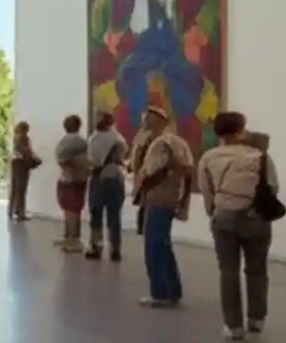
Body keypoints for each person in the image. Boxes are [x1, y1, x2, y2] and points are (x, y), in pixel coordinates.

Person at [197, 112, 278, 339]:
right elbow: (272, 187)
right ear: (241, 130)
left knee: (228, 271)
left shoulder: (209, 157)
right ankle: (256, 319)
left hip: (223, 217)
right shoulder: (260, 157)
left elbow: (206, 191)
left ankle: (233, 326)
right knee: (257, 269)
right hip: (255, 218)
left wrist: (214, 212)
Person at [135, 105, 194, 308]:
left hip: (158, 197)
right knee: (164, 245)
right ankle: (172, 290)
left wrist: (141, 180)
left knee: (154, 247)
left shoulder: (161, 143)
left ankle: (160, 293)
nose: (144, 120)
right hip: (171, 197)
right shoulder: (178, 142)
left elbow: (151, 171)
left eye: (148, 117)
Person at [85, 112, 127, 261]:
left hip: (99, 176)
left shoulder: (93, 139)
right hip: (114, 177)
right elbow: (122, 158)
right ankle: (114, 248)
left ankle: (97, 245)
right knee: (113, 215)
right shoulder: (118, 139)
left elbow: (90, 160)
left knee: (96, 212)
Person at [54, 115, 91, 252]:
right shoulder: (80, 142)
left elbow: (63, 160)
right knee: (74, 209)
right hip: (76, 179)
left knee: (68, 209)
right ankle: (73, 238)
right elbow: (82, 161)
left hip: (66, 178)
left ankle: (70, 237)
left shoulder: (63, 141)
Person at [10, 121, 38, 221]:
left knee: (15, 187)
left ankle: (12, 209)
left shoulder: (15, 137)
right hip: (22, 164)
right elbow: (26, 151)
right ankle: (21, 212)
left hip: (14, 163)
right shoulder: (23, 138)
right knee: (21, 189)